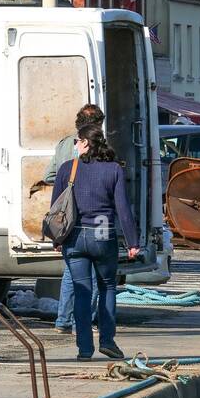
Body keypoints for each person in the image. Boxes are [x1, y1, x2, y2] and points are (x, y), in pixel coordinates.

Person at [51, 125, 139, 360]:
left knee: (82, 292)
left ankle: (84, 349)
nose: (75, 145)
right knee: (107, 287)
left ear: (86, 144)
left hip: (74, 236)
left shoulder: (67, 169)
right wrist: (132, 241)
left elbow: (56, 208)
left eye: (77, 141)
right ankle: (108, 341)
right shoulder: (113, 170)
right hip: (102, 232)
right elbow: (123, 208)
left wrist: (56, 239)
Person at [37, 105, 106, 334]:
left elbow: (48, 176)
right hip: (92, 218)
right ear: (97, 124)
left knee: (70, 272)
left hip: (67, 218)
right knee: (95, 273)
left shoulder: (63, 144)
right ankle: (83, 322)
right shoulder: (95, 146)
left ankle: (63, 321)